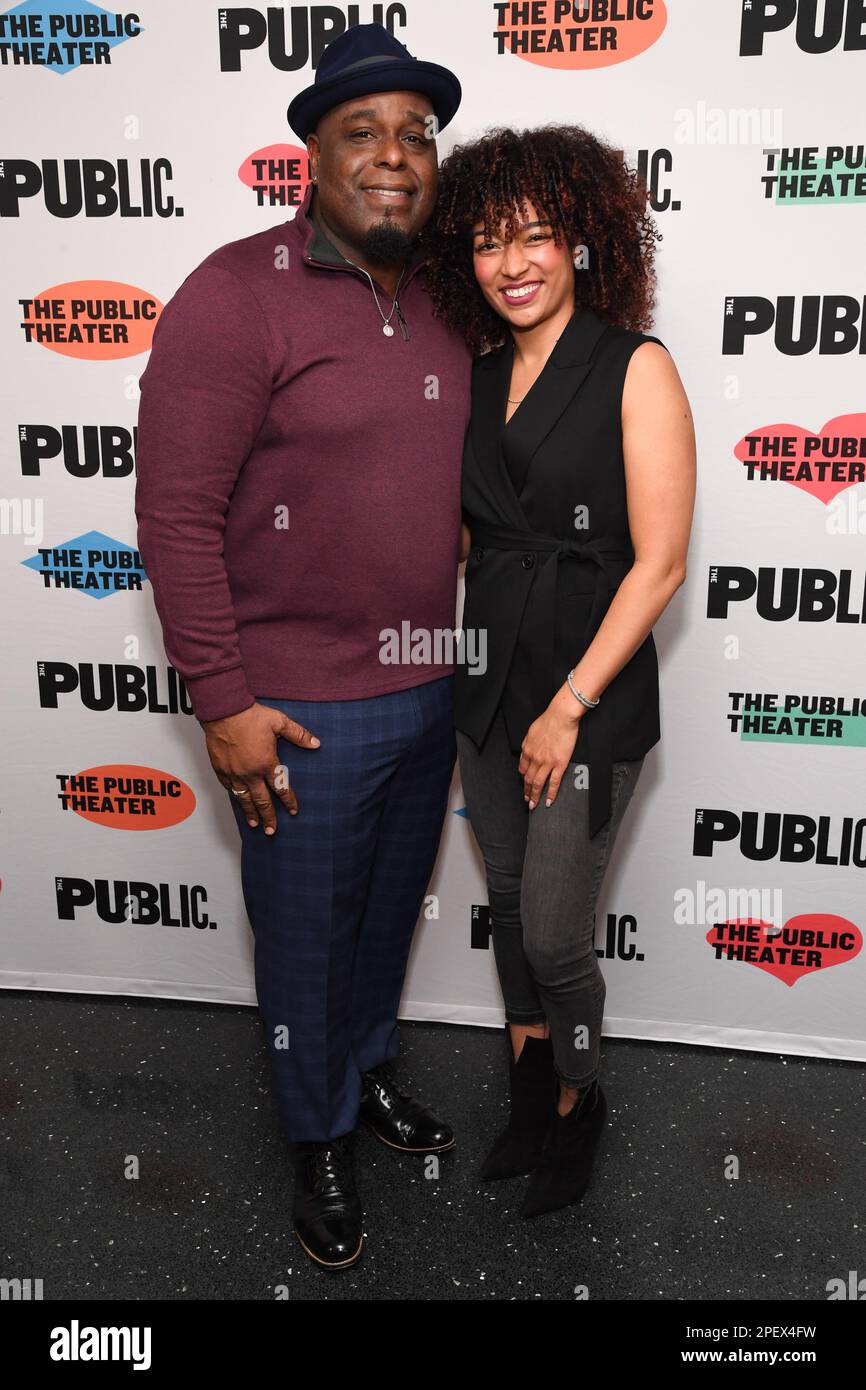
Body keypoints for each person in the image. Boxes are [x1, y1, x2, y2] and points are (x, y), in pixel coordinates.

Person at [134, 24, 470, 1270]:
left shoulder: (447, 296)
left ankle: (369, 1073)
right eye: (362, 132)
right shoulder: (234, 293)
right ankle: (314, 1129)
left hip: (428, 681)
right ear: (309, 156)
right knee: (305, 935)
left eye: (417, 134)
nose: (396, 155)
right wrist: (221, 697)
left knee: (386, 920)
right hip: (294, 705)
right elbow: (172, 513)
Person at [422, 125, 696, 1218]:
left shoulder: (633, 364)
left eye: (535, 234)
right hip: (484, 681)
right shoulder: (476, 377)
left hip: (583, 691)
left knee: (551, 931)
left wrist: (568, 706)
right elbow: (455, 539)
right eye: (489, 240)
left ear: (583, 241)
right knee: (499, 898)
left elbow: (661, 561)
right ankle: (529, 1089)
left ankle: (580, 1098)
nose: (513, 261)